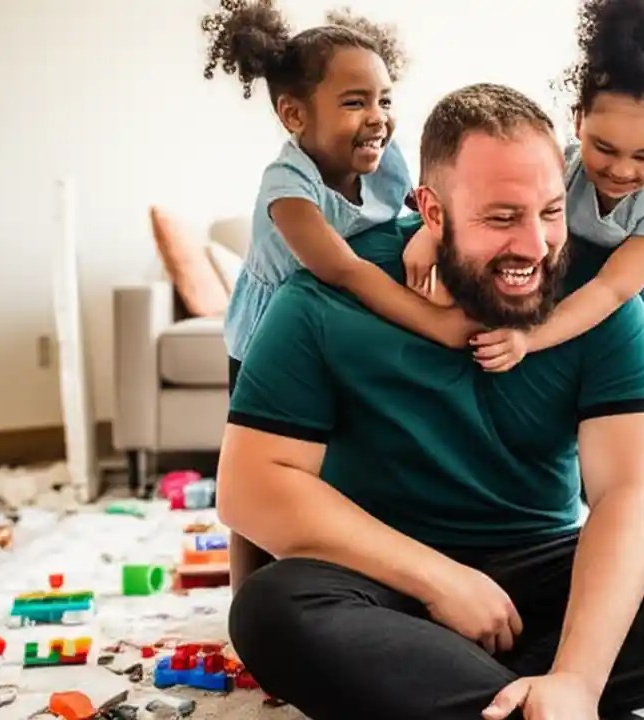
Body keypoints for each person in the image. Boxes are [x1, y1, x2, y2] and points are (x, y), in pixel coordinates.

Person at [219, 82, 644, 720]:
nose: (535, 246)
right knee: (271, 607)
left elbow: (630, 494)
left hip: (546, 578)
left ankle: (515, 696)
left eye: (550, 212)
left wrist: (577, 677)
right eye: (501, 218)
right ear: (432, 213)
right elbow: (250, 487)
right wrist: (440, 580)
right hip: (385, 583)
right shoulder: (326, 295)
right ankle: (518, 696)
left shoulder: (598, 303)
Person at [201, 0, 483, 584]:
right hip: (266, 341)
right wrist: (438, 323)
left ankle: (343, 563)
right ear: (293, 115)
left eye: (385, 100)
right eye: (355, 103)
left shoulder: (385, 159)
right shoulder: (287, 188)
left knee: (336, 458)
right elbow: (345, 270)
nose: (378, 118)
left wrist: (428, 236)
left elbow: (428, 206)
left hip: (341, 329)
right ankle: (247, 593)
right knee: (258, 473)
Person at [404, 0, 644, 387]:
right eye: (604, 148)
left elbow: (612, 288)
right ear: (578, 121)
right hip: (583, 283)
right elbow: (488, 197)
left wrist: (528, 339)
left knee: (639, 391)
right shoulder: (560, 165)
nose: (621, 169)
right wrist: (430, 232)